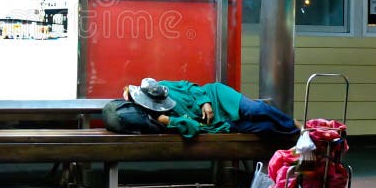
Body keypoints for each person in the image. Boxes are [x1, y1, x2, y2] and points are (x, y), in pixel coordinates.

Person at [124, 77, 300, 138]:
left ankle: (297, 126)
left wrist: (205, 102)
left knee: (256, 110)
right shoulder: (160, 118)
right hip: (218, 125)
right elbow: (193, 129)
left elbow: (189, 86)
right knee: (265, 127)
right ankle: (294, 137)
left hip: (216, 96)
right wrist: (170, 121)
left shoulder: (162, 86)